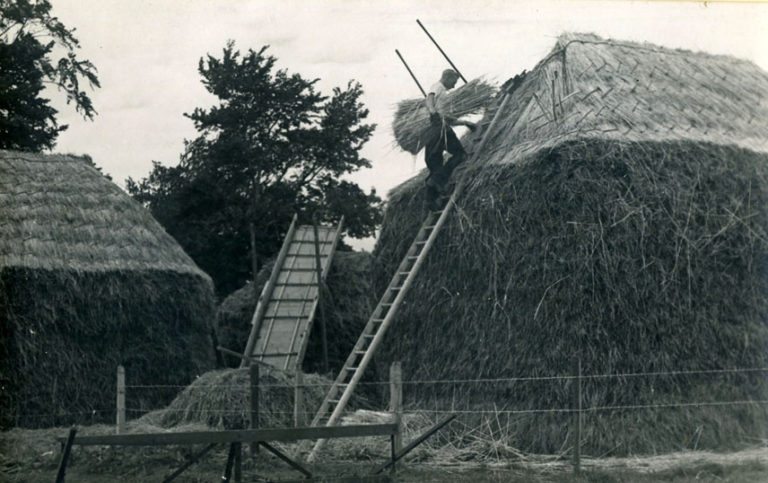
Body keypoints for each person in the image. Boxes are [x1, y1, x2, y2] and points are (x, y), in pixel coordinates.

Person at [422, 69, 476, 210]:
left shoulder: (443, 96)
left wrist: (465, 122)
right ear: (447, 77)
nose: (454, 85)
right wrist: (433, 112)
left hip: (435, 131)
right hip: (440, 130)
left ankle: (431, 201)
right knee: (460, 154)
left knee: (435, 166)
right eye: (454, 81)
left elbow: (448, 119)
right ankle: (435, 181)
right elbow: (429, 98)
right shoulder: (438, 87)